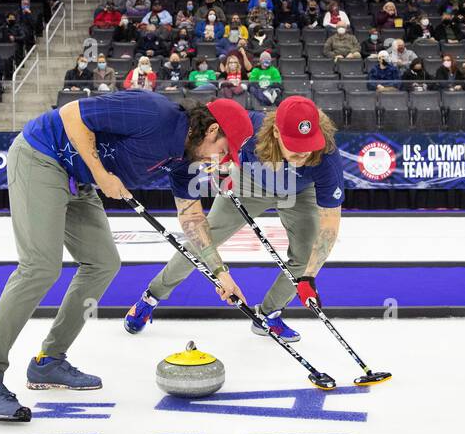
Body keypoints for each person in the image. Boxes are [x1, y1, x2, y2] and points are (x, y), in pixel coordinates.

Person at [0, 92, 251, 420]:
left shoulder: (187, 160)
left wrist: (221, 273)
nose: (220, 161)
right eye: (223, 151)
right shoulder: (155, 114)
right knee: (40, 267)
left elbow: (193, 219)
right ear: (211, 131)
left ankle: (49, 361)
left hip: (78, 178)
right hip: (42, 156)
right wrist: (100, 175)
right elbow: (71, 114)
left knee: (103, 263)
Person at [125, 97, 343, 347]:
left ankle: (269, 314)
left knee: (307, 256)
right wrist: (224, 163)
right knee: (202, 242)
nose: (303, 154)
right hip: (249, 184)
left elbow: (329, 224)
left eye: (308, 146)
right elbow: (208, 122)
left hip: (300, 192)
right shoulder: (251, 129)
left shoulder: (327, 156)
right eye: (294, 146)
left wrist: (309, 278)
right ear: (275, 132)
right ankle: (151, 297)